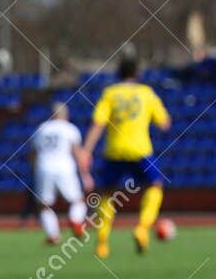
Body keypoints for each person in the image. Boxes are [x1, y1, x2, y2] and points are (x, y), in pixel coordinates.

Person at [79, 57, 171, 258]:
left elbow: (98, 123)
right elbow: (164, 123)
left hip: (114, 151)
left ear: (118, 73)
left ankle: (102, 243)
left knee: (106, 194)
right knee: (155, 185)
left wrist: (86, 150)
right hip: (140, 150)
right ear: (137, 74)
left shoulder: (110, 94)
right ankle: (142, 228)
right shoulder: (146, 93)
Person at [29, 103, 90, 244]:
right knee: (77, 201)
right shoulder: (70, 129)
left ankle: (53, 235)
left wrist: (35, 170)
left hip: (44, 167)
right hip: (65, 168)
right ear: (65, 114)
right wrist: (85, 175)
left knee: (44, 205)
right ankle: (76, 220)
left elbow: (33, 153)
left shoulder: (42, 128)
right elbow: (77, 153)